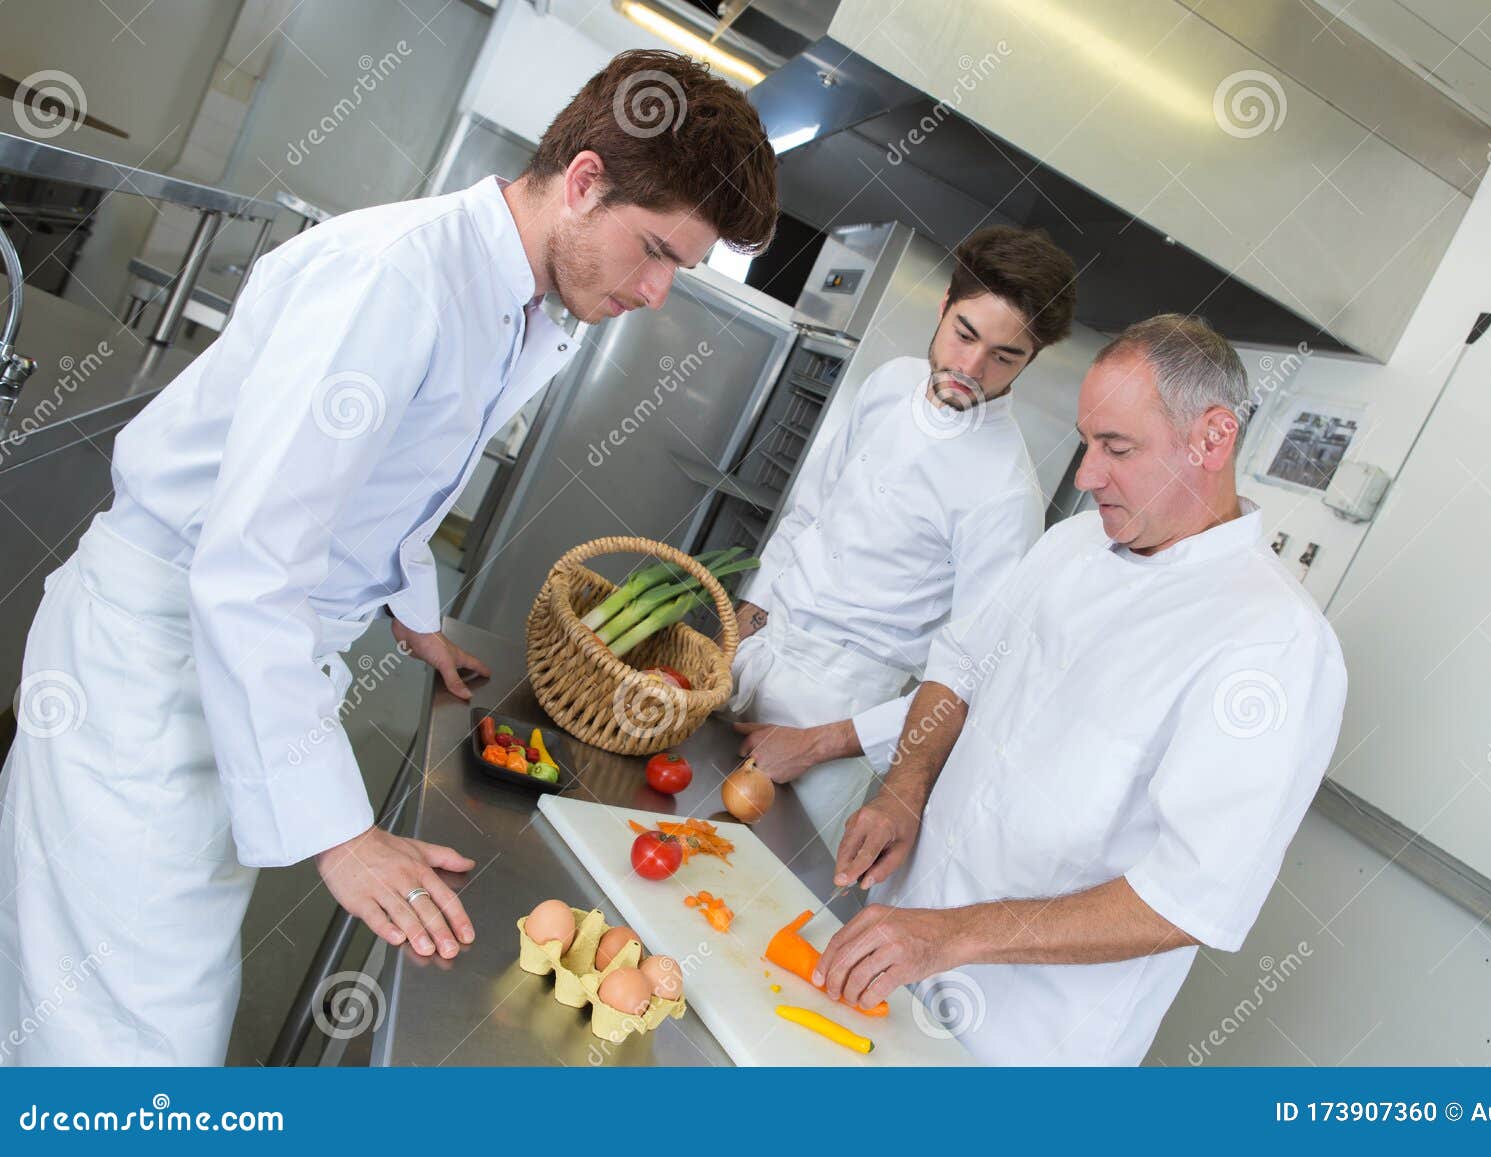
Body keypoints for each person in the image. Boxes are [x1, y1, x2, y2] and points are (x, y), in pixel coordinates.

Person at [0, 49, 777, 1066]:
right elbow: (250, 566)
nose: (659, 291)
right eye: (657, 251)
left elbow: (392, 487)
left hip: (236, 668)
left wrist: (417, 620)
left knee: (99, 1007)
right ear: (585, 182)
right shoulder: (395, 280)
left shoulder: (509, 300)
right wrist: (341, 833)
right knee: (125, 1038)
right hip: (150, 668)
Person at [814, 314, 1348, 1065]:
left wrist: (954, 934)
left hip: (1018, 1042)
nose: (1087, 475)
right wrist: (905, 788)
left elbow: (1187, 897)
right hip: (893, 957)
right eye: (1088, 442)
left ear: (1213, 437)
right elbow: (961, 666)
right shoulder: (1072, 542)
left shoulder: (1274, 642)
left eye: (1117, 448)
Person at [726, 227, 1078, 853]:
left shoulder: (1006, 492)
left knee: (748, 873)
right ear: (944, 306)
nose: (970, 369)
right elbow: (809, 514)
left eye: (1004, 357)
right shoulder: (890, 383)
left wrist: (816, 744)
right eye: (964, 334)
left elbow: (968, 677)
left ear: (1031, 359)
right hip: (754, 658)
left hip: (833, 714)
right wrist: (735, 635)